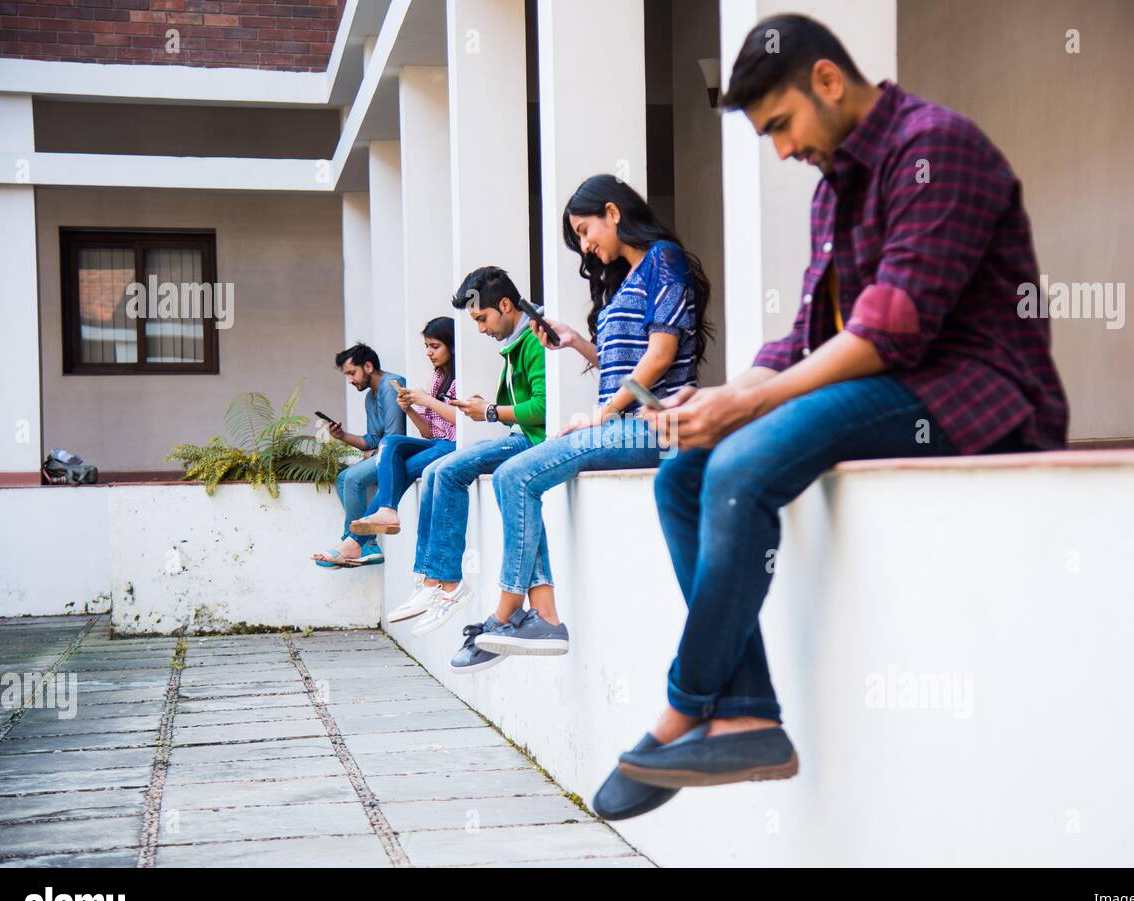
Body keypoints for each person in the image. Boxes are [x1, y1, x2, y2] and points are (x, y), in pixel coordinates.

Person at [591, 13, 1069, 819]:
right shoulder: (833, 190)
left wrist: (742, 406)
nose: (780, 149)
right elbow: (808, 336)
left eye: (780, 124)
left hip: (971, 393)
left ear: (827, 80)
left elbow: (891, 325)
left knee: (740, 464)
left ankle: (680, 708)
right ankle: (745, 712)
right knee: (680, 476)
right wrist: (716, 394)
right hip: (892, 387)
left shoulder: (935, 147)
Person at [468, 175, 712, 670]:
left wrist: (603, 414)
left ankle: (513, 614)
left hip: (656, 426)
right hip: (624, 422)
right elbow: (629, 365)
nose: (585, 244)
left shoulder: (664, 258)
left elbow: (661, 358)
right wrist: (577, 343)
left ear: (613, 212)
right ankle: (541, 618)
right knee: (517, 478)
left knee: (516, 475)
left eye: (584, 231)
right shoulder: (630, 274)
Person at [390, 267, 547, 655]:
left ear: (506, 305)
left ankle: (448, 583)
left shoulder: (535, 339)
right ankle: (430, 582)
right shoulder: (516, 339)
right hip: (518, 435)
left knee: (450, 469)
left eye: (481, 319)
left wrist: (491, 412)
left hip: (531, 441)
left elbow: (544, 407)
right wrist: (485, 408)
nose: (479, 329)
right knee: (435, 470)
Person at [347, 317, 458, 541]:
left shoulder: (462, 377)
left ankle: (354, 542)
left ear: (453, 346)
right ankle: (381, 516)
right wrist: (409, 410)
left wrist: (426, 400)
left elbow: (463, 420)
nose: (429, 352)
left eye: (435, 346)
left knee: (401, 470)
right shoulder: (437, 377)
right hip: (437, 442)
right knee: (391, 442)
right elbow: (428, 432)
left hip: (454, 445)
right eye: (427, 346)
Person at [312, 343, 406, 568]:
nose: (350, 380)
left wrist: (373, 451)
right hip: (383, 452)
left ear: (368, 366)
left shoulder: (391, 386)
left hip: (399, 453)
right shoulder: (370, 398)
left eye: (352, 373)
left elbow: (395, 437)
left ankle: (351, 542)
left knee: (353, 479)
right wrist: (342, 435)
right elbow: (371, 440)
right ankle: (368, 543)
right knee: (343, 478)